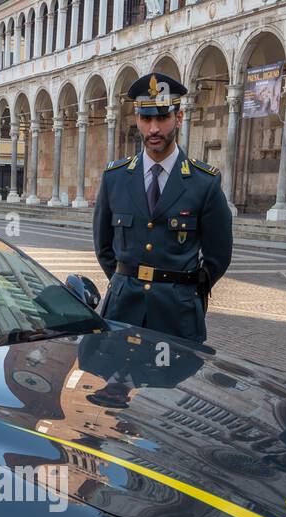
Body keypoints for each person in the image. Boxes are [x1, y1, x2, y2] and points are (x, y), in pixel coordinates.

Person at [92, 73, 232, 344]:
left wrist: (186, 292)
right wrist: (125, 282)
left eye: (162, 118)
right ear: (137, 120)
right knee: (121, 384)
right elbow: (104, 247)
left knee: (175, 386)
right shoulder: (116, 178)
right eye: (146, 119)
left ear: (178, 118)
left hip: (177, 315)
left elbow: (219, 256)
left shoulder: (204, 183)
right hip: (123, 312)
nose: (153, 129)